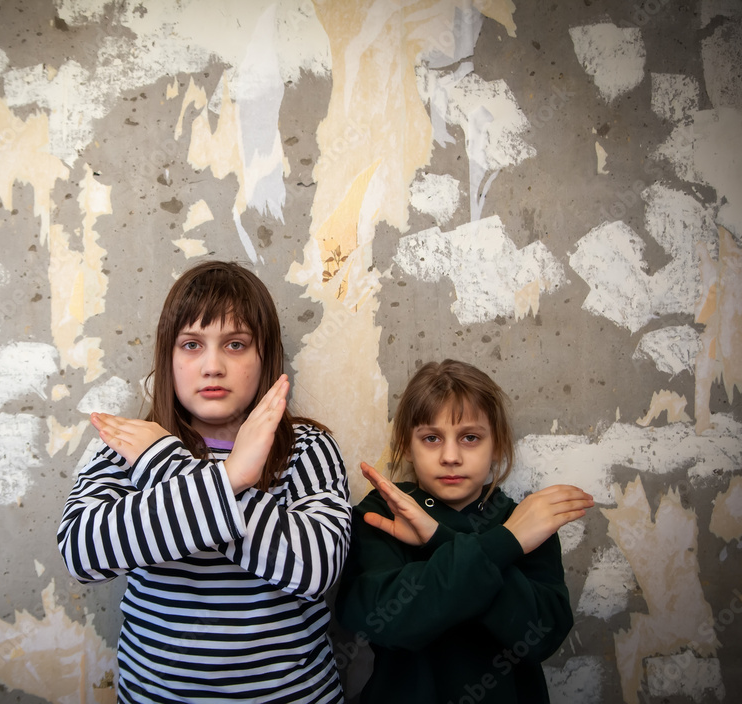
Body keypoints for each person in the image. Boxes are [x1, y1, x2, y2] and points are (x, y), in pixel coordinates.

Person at [57, 260, 351, 703]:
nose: (213, 366)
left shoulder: (306, 447)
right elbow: (83, 555)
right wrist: (228, 478)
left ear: (265, 357)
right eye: (192, 345)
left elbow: (316, 569)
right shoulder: (131, 445)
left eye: (235, 344)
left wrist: (168, 466)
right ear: (169, 358)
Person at [336, 359, 594, 703]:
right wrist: (505, 543)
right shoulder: (384, 512)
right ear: (407, 446)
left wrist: (438, 538)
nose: (450, 456)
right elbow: (381, 621)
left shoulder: (528, 521)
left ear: (497, 445)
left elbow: (540, 638)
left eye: (470, 437)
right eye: (431, 438)